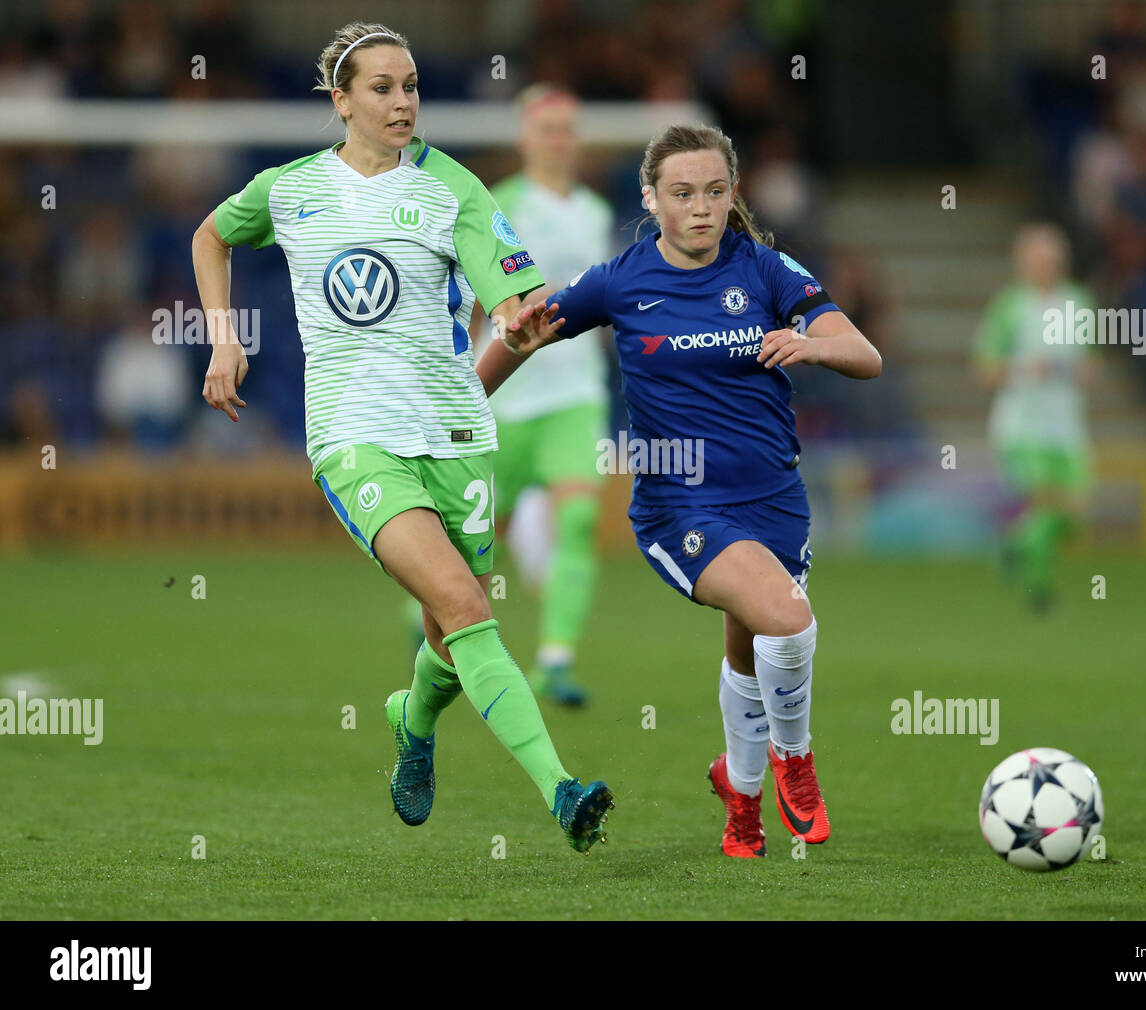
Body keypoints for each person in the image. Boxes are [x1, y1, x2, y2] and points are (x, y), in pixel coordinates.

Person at [191, 22, 612, 852]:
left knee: (448, 638)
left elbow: (510, 301)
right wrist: (223, 335)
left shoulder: (453, 188)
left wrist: (518, 328)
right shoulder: (288, 189)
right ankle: (561, 790)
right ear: (340, 100)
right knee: (463, 606)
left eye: (411, 85)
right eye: (381, 88)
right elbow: (212, 235)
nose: (402, 101)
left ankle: (411, 724)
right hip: (355, 437)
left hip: (457, 433)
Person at [484, 124, 882, 857]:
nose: (699, 208)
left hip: (774, 500)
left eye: (713, 191)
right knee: (788, 624)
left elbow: (865, 354)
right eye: (681, 193)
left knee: (751, 648)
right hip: (681, 508)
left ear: (733, 193)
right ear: (651, 198)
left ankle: (742, 802)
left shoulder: (766, 270)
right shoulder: (619, 281)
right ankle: (796, 761)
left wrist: (814, 344)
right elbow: (524, 333)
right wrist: (471, 399)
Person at [409, 83, 613, 707]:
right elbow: (469, 295)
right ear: (526, 138)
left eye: (569, 129)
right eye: (548, 129)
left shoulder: (597, 213)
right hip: (503, 396)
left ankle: (555, 660)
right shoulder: (496, 205)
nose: (560, 140)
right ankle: (428, 626)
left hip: (575, 396)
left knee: (578, 519)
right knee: (469, 542)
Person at [973, 223, 1097, 612]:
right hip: (1022, 423)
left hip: (1067, 425)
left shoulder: (1078, 303)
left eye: (1052, 260)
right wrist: (1027, 368)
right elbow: (985, 370)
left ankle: (1015, 545)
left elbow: (1089, 365)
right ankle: (1039, 591)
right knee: (1045, 503)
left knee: (1075, 514)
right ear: (1023, 264)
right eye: (1037, 260)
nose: (1045, 267)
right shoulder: (1010, 306)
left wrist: (1082, 373)